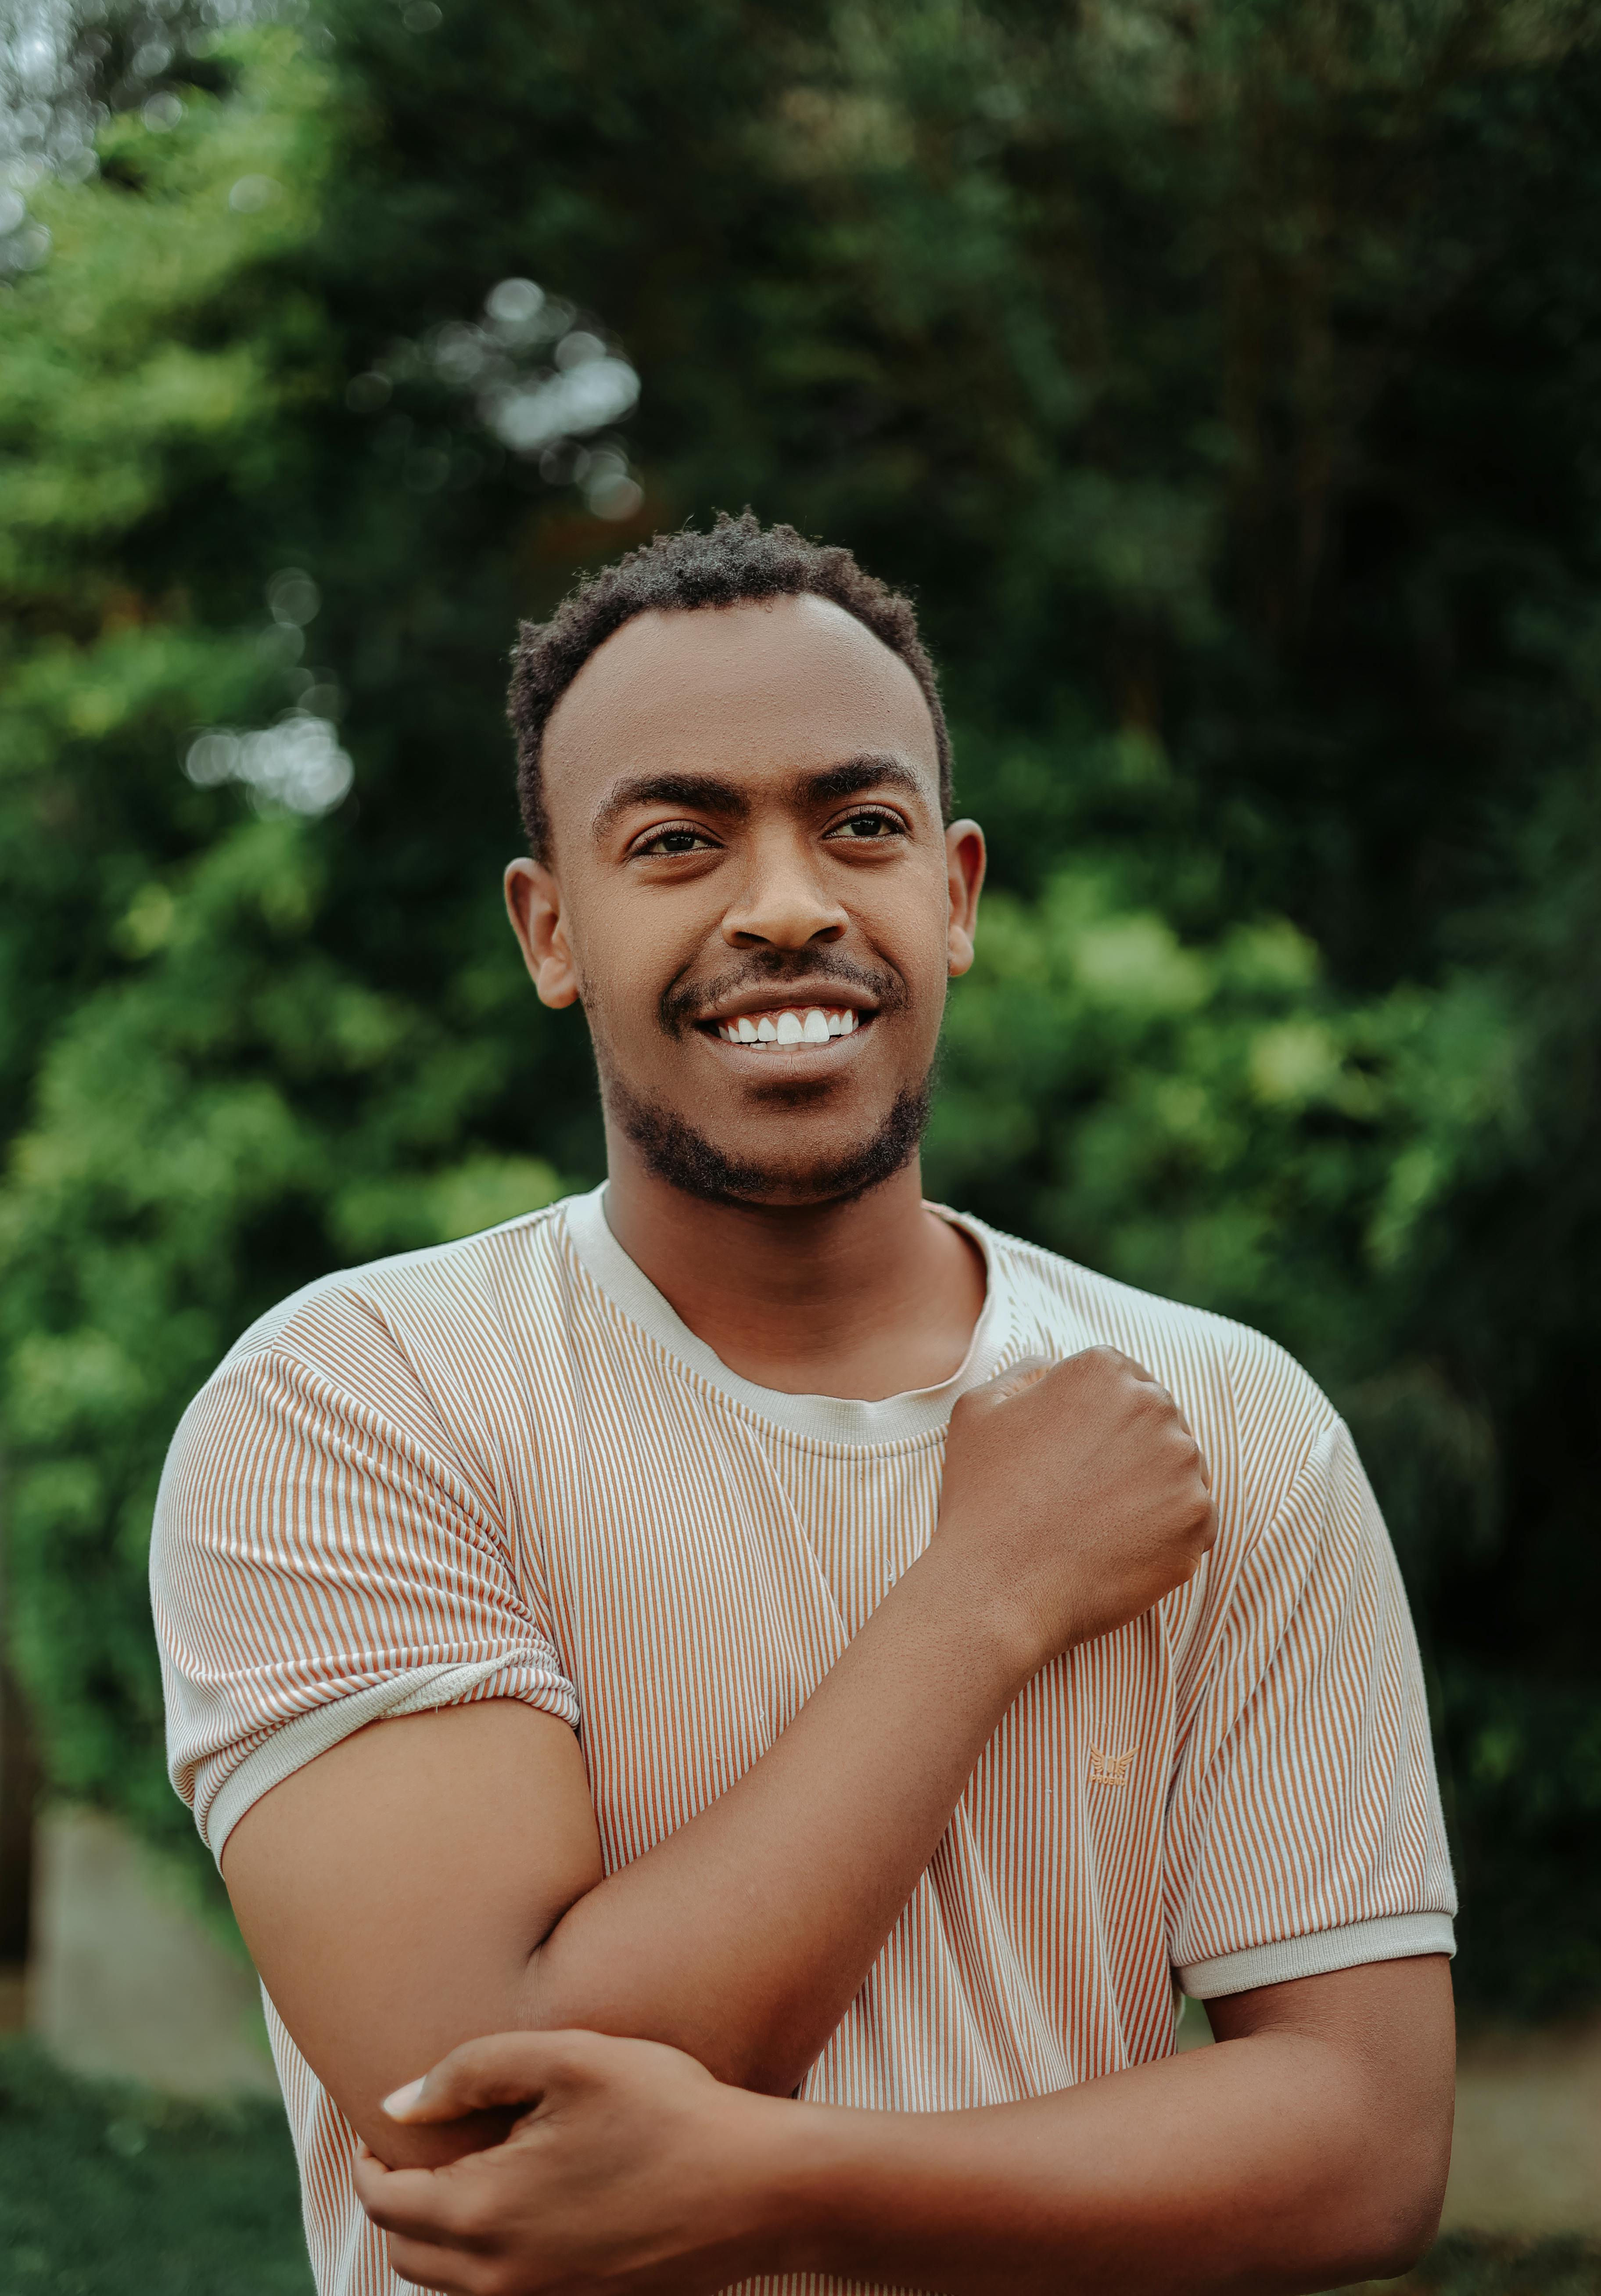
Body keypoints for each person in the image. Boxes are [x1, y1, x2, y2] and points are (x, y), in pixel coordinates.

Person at [151, 514, 1457, 2296]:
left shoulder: (1225, 1421)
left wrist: (775, 2177)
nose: (787, 903)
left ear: (958, 895)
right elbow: (479, 2141)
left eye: (861, 826)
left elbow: (1363, 2148)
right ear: (552, 930)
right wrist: (986, 1591)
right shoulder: (356, 1407)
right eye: (679, 840)